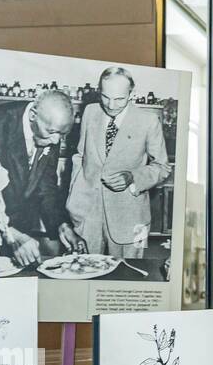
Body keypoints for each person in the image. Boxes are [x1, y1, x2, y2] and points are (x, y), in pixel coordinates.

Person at [67, 66, 172, 259]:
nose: (111, 105)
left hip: (131, 217)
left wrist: (133, 178)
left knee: (130, 275)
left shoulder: (149, 121)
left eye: (119, 99)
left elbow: (162, 167)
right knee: (84, 273)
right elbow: (80, 156)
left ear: (131, 93)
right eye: (105, 97)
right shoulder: (90, 112)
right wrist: (74, 198)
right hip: (88, 214)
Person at [0, 88, 85, 268]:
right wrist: (10, 234)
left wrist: (62, 225)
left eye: (62, 134)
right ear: (33, 115)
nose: (56, 141)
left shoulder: (51, 132)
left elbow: (46, 186)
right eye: (52, 132)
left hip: (23, 229)